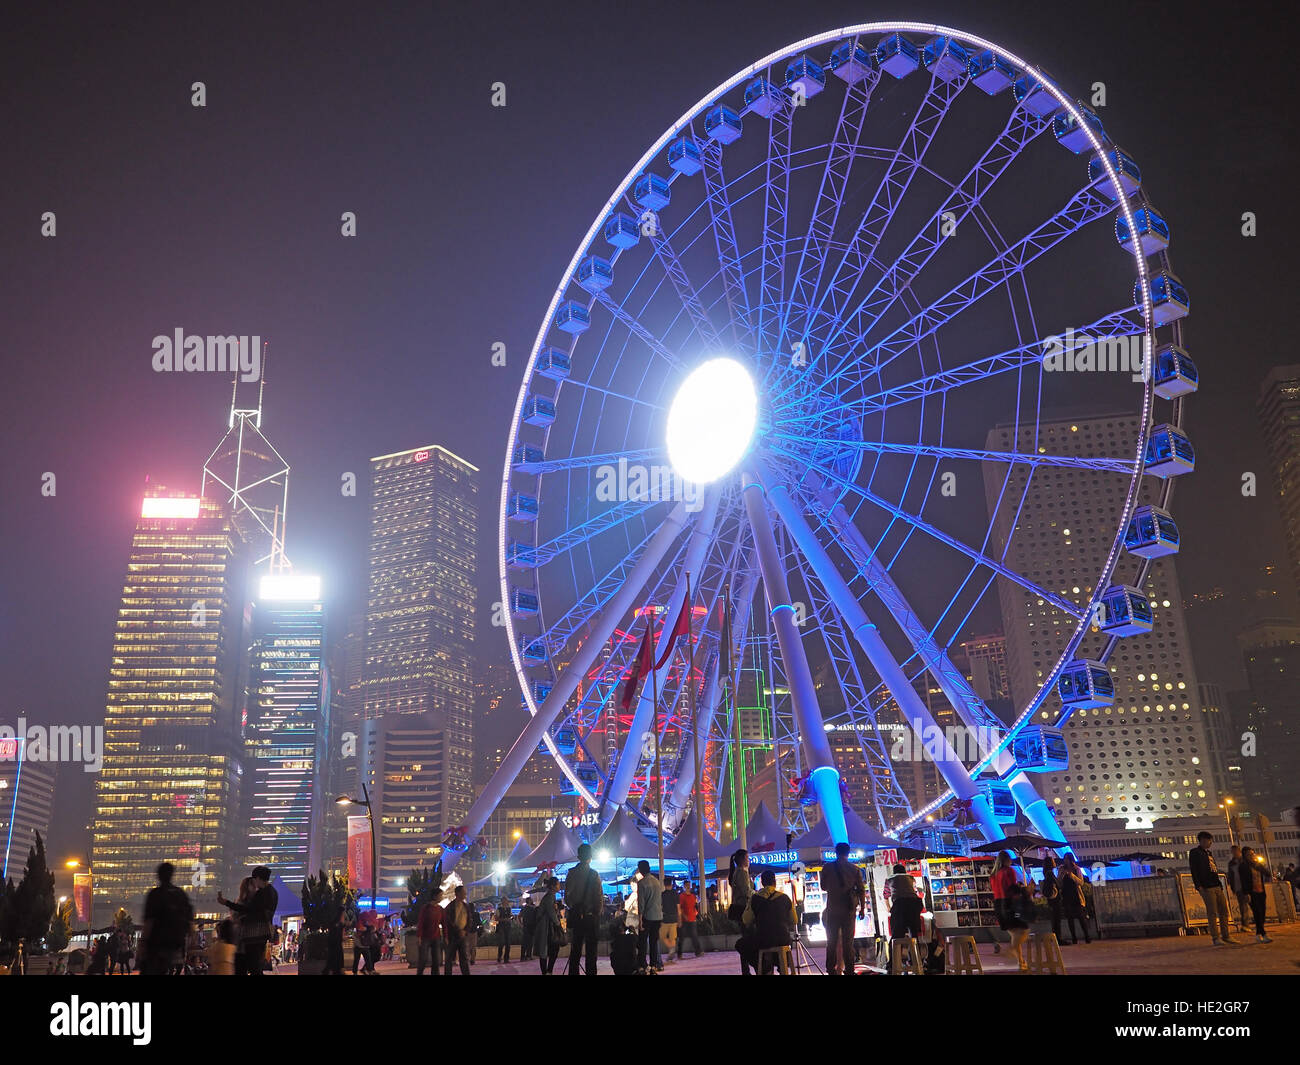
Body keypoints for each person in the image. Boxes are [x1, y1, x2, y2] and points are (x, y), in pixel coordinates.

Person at [218, 866, 278, 975]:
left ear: (258, 878)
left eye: (254, 879)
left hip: (254, 934)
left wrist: (227, 903)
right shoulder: (273, 892)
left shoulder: (262, 893)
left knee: (253, 966)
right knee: (255, 966)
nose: (255, 883)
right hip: (263, 933)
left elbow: (248, 910)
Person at [139, 862, 194, 975]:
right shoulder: (181, 894)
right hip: (175, 945)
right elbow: (190, 924)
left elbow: (148, 923)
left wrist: (142, 946)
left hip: (156, 946)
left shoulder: (155, 894)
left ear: (159, 875)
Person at [822, 842, 866, 976]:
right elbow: (861, 890)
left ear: (836, 852)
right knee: (848, 943)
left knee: (831, 941)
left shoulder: (827, 868)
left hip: (832, 910)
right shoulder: (855, 869)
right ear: (848, 853)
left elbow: (823, 887)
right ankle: (850, 971)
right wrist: (862, 908)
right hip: (849, 911)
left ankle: (831, 970)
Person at [745, 869, 796, 974]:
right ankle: (782, 967)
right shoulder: (785, 898)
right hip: (783, 939)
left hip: (763, 940)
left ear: (762, 883)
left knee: (742, 944)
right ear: (775, 882)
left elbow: (746, 920)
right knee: (782, 941)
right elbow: (794, 920)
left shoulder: (755, 899)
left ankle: (764, 968)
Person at [564, 843, 603, 976]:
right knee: (591, 952)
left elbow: (566, 897)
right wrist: (597, 913)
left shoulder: (571, 873)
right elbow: (598, 897)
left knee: (575, 950)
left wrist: (575, 908)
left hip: (576, 915)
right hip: (591, 916)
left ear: (578, 856)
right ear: (590, 857)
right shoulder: (594, 874)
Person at [1188, 831, 1233, 945]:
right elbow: (1194, 870)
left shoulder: (1209, 853)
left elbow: (1214, 870)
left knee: (1224, 911)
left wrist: (1219, 884)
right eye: (1207, 840)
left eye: (1210, 840)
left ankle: (1226, 935)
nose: (1209, 842)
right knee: (1212, 912)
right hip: (1206, 886)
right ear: (1202, 840)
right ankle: (1215, 937)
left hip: (1216, 885)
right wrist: (1199, 886)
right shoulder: (1195, 853)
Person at [635, 860, 664, 974]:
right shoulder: (657, 882)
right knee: (653, 942)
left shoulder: (641, 883)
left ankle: (642, 965)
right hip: (657, 916)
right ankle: (653, 965)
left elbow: (641, 904)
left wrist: (640, 919)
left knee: (642, 942)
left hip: (647, 917)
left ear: (641, 870)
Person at [1239, 847, 1272, 943]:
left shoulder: (1257, 865)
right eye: (1249, 854)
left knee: (1262, 913)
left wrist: (1259, 865)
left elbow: (1267, 874)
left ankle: (1259, 933)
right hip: (1251, 893)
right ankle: (1262, 934)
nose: (1251, 856)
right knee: (1257, 913)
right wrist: (1246, 893)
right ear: (1245, 855)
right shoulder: (1243, 866)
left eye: (1252, 854)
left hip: (1261, 891)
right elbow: (1243, 881)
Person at [989, 851, 1018, 953]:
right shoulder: (1009, 871)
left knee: (1013, 931)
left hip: (998, 904)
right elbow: (1012, 887)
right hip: (1009, 903)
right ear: (1007, 860)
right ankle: (1014, 953)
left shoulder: (994, 874)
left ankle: (1018, 957)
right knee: (1020, 930)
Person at [533, 877, 564, 975]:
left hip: (548, 927)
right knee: (548, 950)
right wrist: (559, 925)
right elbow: (552, 914)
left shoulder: (551, 896)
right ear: (553, 886)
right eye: (558, 884)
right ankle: (547, 971)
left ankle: (548, 971)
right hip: (546, 928)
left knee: (550, 949)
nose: (559, 886)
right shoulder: (549, 897)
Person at [1058, 856, 1091, 945]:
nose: (1065, 861)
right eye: (1064, 859)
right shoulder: (1061, 869)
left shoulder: (1077, 869)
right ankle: (1074, 938)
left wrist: (1071, 875)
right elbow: (1059, 883)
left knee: (1081, 917)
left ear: (1071, 860)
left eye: (1067, 859)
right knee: (1070, 918)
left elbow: (1081, 882)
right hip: (1066, 896)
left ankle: (1087, 936)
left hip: (1076, 896)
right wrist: (1062, 875)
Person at [887, 863, 924, 941]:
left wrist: (889, 908)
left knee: (897, 933)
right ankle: (915, 951)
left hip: (900, 905)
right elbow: (914, 890)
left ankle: (894, 952)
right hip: (914, 904)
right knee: (913, 932)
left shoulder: (889, 879)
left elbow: (885, 895)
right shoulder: (910, 878)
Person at [442, 885, 473, 975]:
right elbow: (448, 921)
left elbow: (469, 920)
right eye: (463, 892)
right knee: (449, 959)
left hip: (463, 936)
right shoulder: (450, 907)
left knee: (464, 958)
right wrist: (458, 930)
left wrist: (465, 931)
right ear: (457, 893)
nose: (465, 894)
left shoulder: (466, 906)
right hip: (453, 936)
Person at [1005, 883, 1033, 971]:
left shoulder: (1020, 901)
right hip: (1018, 927)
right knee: (1016, 944)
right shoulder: (1014, 902)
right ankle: (1021, 963)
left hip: (1022, 928)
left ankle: (1021, 962)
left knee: (1015, 943)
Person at [416, 895, 443, 975]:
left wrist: (446, 936)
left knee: (436, 959)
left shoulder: (440, 909)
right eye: (440, 895)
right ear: (435, 896)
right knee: (423, 959)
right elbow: (421, 922)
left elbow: (443, 922)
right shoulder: (426, 908)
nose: (441, 897)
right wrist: (419, 936)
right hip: (425, 937)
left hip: (436, 937)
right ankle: (420, 973)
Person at [1227, 845, 1250, 934]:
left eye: (1235, 851)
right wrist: (1233, 887)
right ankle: (1245, 925)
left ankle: (1252, 924)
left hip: (1247, 887)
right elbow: (1230, 876)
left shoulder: (1244, 861)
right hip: (1238, 888)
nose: (1233, 853)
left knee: (1251, 906)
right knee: (1243, 907)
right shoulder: (1231, 863)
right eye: (1232, 852)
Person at [1040, 855, 1063, 945]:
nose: (1055, 862)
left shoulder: (1046, 873)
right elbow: (1057, 884)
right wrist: (1061, 875)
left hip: (1051, 900)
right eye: (1053, 861)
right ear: (1050, 863)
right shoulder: (1050, 874)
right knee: (1056, 920)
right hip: (1055, 900)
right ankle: (1058, 939)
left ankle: (1057, 938)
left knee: (1055, 920)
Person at [677, 882, 702, 959]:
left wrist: (696, 914)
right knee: (682, 937)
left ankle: (698, 952)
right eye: (687, 885)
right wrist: (683, 916)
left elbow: (695, 906)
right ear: (684, 886)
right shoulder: (681, 896)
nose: (688, 887)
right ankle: (679, 953)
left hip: (692, 918)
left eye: (689, 885)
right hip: (684, 920)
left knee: (694, 936)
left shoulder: (693, 896)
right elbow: (680, 908)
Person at [727, 850, 752, 921]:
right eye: (747, 858)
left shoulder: (737, 872)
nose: (748, 860)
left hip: (738, 906)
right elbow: (746, 891)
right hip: (742, 907)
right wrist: (757, 894)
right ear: (742, 860)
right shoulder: (741, 873)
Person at [660, 878, 680, 964]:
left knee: (662, 936)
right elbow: (678, 908)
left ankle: (671, 950)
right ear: (671, 884)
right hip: (674, 918)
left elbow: (660, 907)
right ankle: (672, 950)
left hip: (665, 918)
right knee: (673, 937)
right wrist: (680, 919)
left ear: (664, 885)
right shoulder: (675, 893)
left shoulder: (662, 895)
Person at [519, 896, 537, 962]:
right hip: (530, 926)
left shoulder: (524, 908)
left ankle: (524, 956)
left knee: (526, 942)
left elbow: (519, 916)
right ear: (529, 901)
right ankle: (527, 956)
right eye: (531, 900)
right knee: (529, 942)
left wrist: (521, 924)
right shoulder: (532, 908)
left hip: (526, 926)